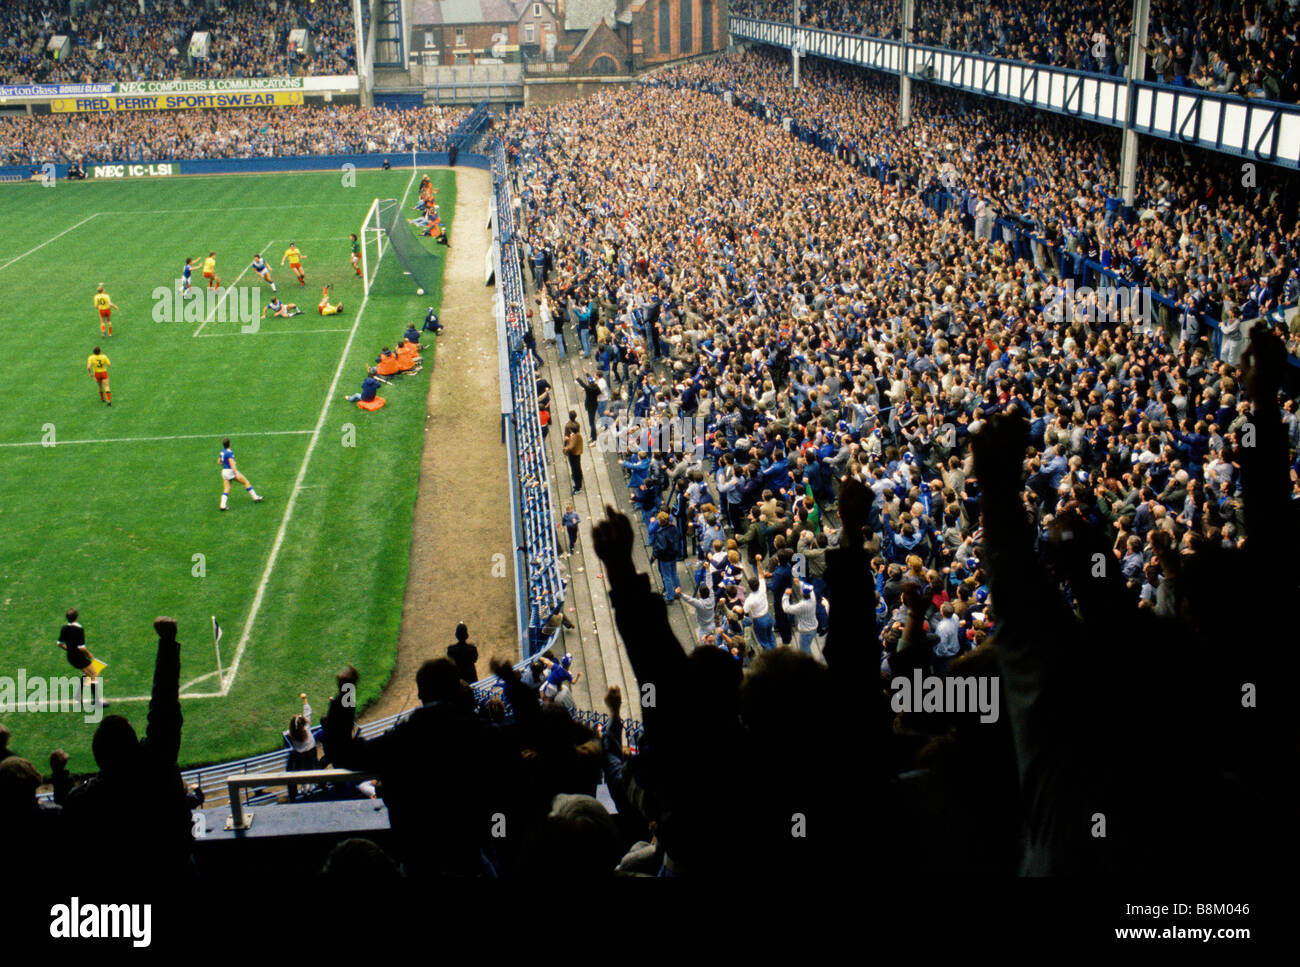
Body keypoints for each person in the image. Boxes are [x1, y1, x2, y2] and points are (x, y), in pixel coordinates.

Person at [60, 616, 195, 878]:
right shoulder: (158, 762)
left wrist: (60, 775)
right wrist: (167, 643)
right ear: (134, 744)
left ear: (99, 757)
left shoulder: (81, 801)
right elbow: (164, 707)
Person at [57, 608, 100, 703]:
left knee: (87, 674)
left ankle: (77, 696)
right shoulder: (79, 629)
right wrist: (89, 654)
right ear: (77, 617)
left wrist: (68, 649)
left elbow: (59, 643)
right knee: (94, 674)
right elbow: (81, 647)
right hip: (79, 657)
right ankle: (97, 701)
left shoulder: (64, 628)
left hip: (71, 657)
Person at [285, 693, 318, 800]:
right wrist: (304, 699)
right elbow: (308, 712)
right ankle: (311, 788)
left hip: (301, 756)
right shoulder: (307, 728)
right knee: (313, 770)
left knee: (303, 772)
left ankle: (304, 790)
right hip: (311, 753)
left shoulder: (291, 735)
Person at [218, 437, 264, 510]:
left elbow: (219, 462)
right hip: (230, 471)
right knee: (246, 482)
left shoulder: (222, 452)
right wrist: (235, 472)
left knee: (227, 488)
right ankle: (256, 498)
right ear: (229, 443)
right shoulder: (229, 452)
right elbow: (231, 463)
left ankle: (222, 505)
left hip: (224, 471)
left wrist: (225, 464)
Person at [563, 413, 584, 494]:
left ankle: (578, 487)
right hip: (578, 453)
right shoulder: (577, 434)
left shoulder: (573, 437)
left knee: (575, 470)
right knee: (578, 467)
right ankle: (579, 479)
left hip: (573, 454)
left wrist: (566, 445)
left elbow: (570, 446)